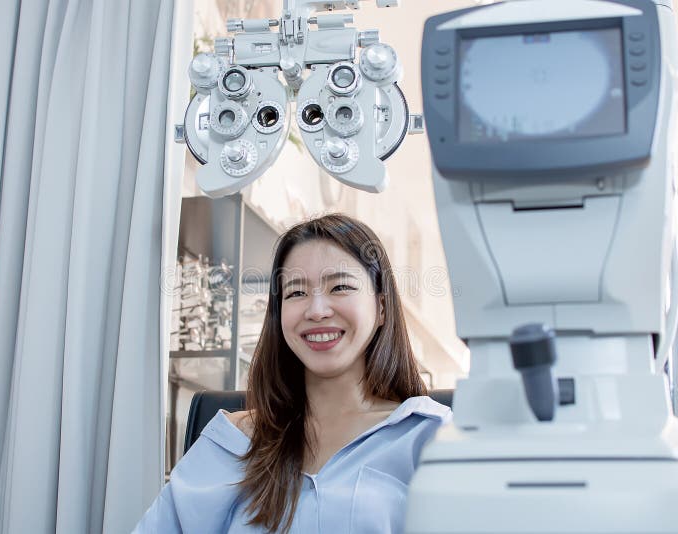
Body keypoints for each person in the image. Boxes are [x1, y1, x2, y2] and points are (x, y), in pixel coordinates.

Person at [134, 213, 451, 533]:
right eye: (296, 292)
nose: (316, 310)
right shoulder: (236, 440)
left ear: (381, 307)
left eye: (340, 286)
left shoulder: (429, 435)